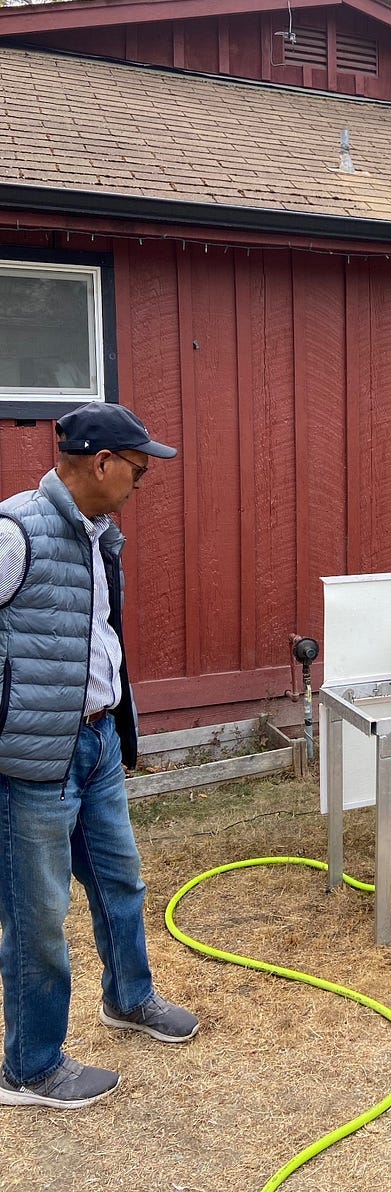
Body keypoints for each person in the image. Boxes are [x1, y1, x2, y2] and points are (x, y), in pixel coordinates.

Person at [0, 403, 198, 1110]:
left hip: (96, 742)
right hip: (34, 763)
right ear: (104, 462)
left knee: (121, 884)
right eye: (139, 469)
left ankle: (130, 998)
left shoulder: (96, 535)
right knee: (37, 917)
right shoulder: (16, 530)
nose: (142, 482)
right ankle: (30, 1069)